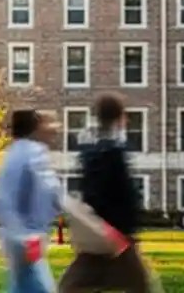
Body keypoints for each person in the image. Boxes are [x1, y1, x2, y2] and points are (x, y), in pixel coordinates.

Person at [59, 94, 151, 293]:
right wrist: (127, 228)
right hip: (116, 237)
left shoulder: (90, 152)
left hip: (97, 233)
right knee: (141, 286)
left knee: (70, 286)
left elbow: (88, 193)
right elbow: (126, 196)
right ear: (121, 118)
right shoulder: (115, 153)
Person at [0, 110, 61, 293]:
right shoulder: (33, 153)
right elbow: (52, 192)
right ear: (35, 128)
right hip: (27, 239)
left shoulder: (13, 153)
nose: (56, 129)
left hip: (20, 238)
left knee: (21, 287)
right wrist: (25, 237)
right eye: (48, 124)